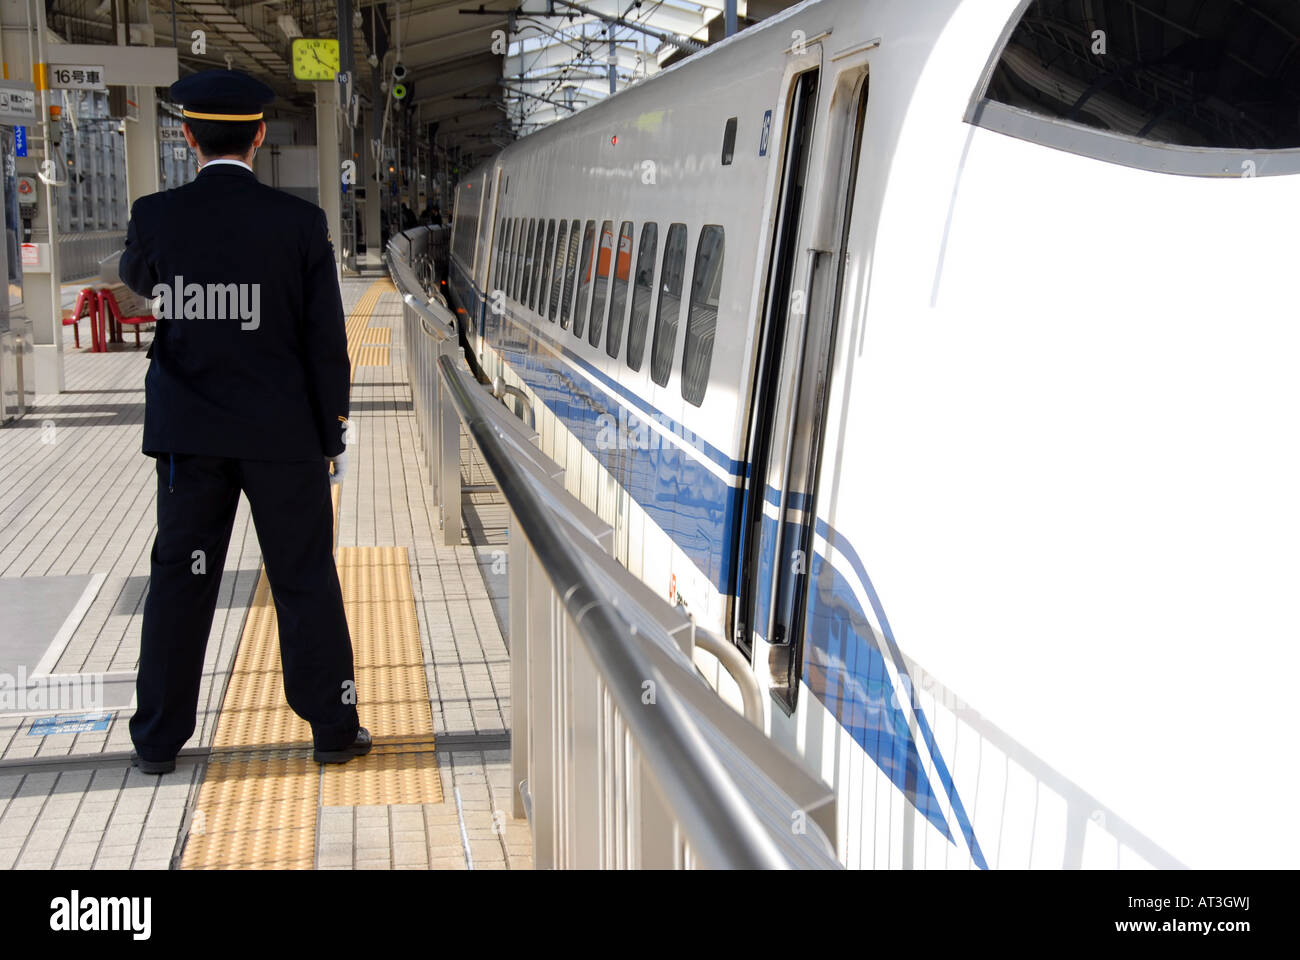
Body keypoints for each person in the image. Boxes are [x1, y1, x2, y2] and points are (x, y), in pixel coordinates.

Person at [119, 69, 371, 773]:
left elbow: (140, 282)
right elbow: (325, 342)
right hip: (283, 437)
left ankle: (158, 740)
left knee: (181, 577)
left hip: (189, 440)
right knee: (302, 575)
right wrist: (331, 436)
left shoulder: (154, 215)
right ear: (259, 135)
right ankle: (331, 726)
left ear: (186, 135)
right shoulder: (299, 224)